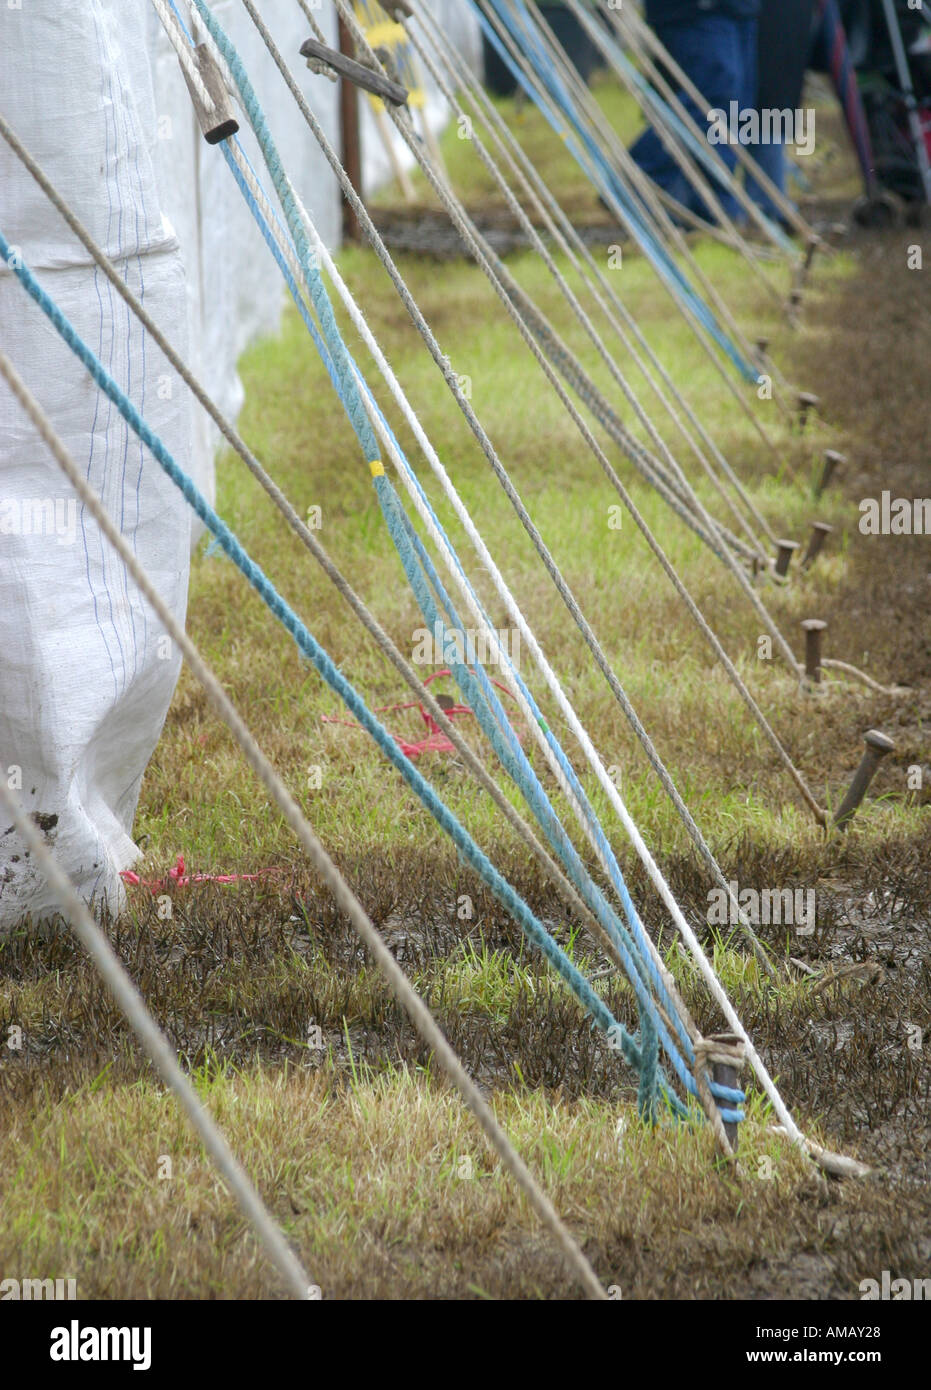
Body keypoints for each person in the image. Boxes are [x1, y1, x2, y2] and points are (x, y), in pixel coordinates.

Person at [630, 0, 761, 223]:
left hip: (739, 10)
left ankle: (713, 203)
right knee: (707, 100)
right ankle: (637, 175)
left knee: (732, 108)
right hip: (698, 10)